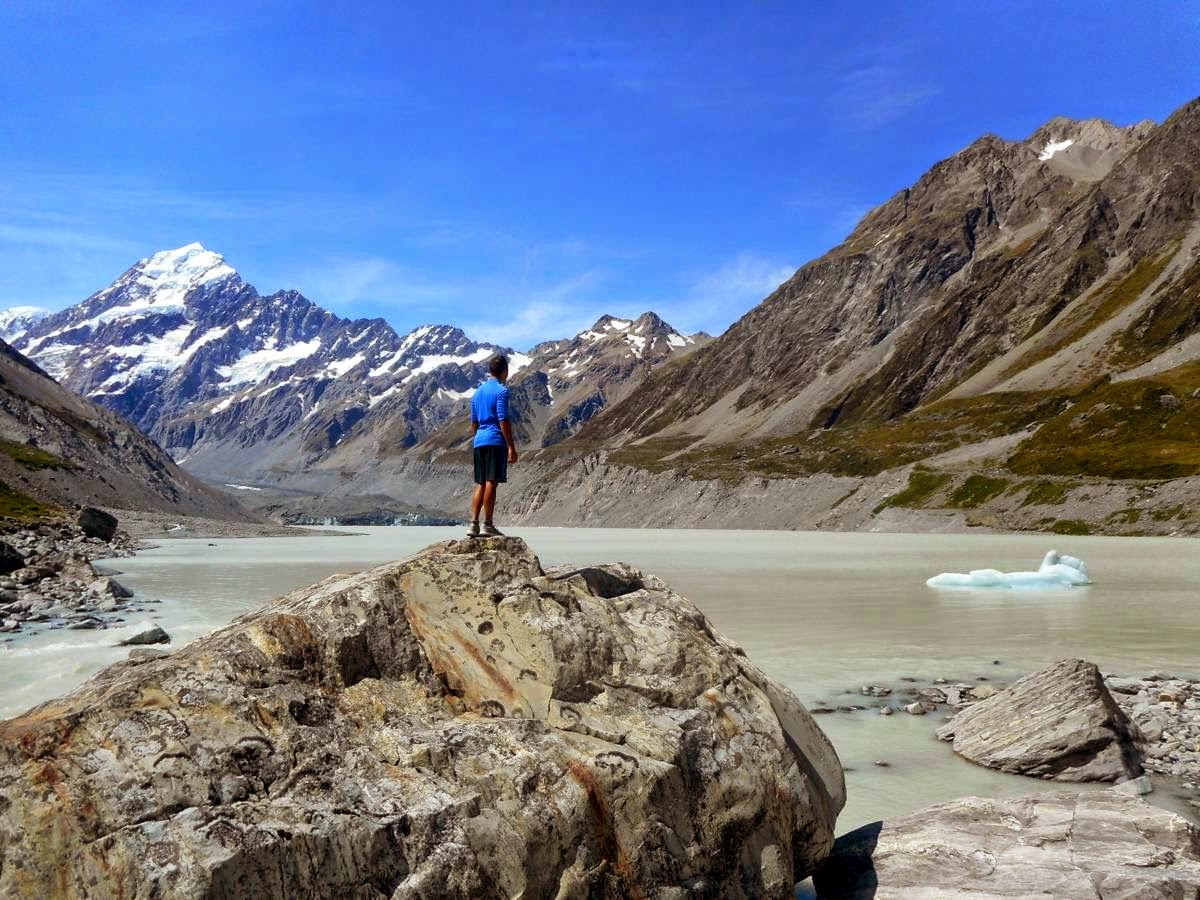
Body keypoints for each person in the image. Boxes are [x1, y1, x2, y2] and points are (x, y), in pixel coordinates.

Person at [468, 354, 518, 536]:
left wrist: (478, 438)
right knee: (491, 482)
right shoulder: (501, 391)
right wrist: (511, 446)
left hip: (479, 441)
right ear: (505, 371)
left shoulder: (476, 393)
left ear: (490, 370)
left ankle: (473, 524)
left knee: (480, 483)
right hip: (495, 440)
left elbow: (474, 422)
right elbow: (503, 419)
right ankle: (487, 524)